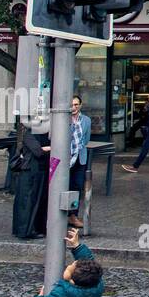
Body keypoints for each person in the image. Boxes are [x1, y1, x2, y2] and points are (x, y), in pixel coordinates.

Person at [29, 228, 104, 297]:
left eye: (69, 268)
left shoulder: (62, 294)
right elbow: (89, 262)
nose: (68, 266)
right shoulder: (96, 283)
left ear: (71, 280)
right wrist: (77, 246)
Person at [10, 127, 50, 240]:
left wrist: (46, 149)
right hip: (29, 172)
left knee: (36, 200)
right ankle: (26, 230)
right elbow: (38, 152)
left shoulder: (44, 133)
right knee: (27, 202)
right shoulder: (29, 134)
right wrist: (50, 148)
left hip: (39, 171)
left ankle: (32, 229)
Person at [68, 95, 92, 228]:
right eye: (72, 105)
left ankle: (73, 216)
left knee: (77, 187)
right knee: (63, 185)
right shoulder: (64, 119)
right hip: (66, 158)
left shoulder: (86, 120)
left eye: (76, 104)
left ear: (80, 105)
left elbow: (86, 139)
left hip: (80, 157)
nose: (74, 107)